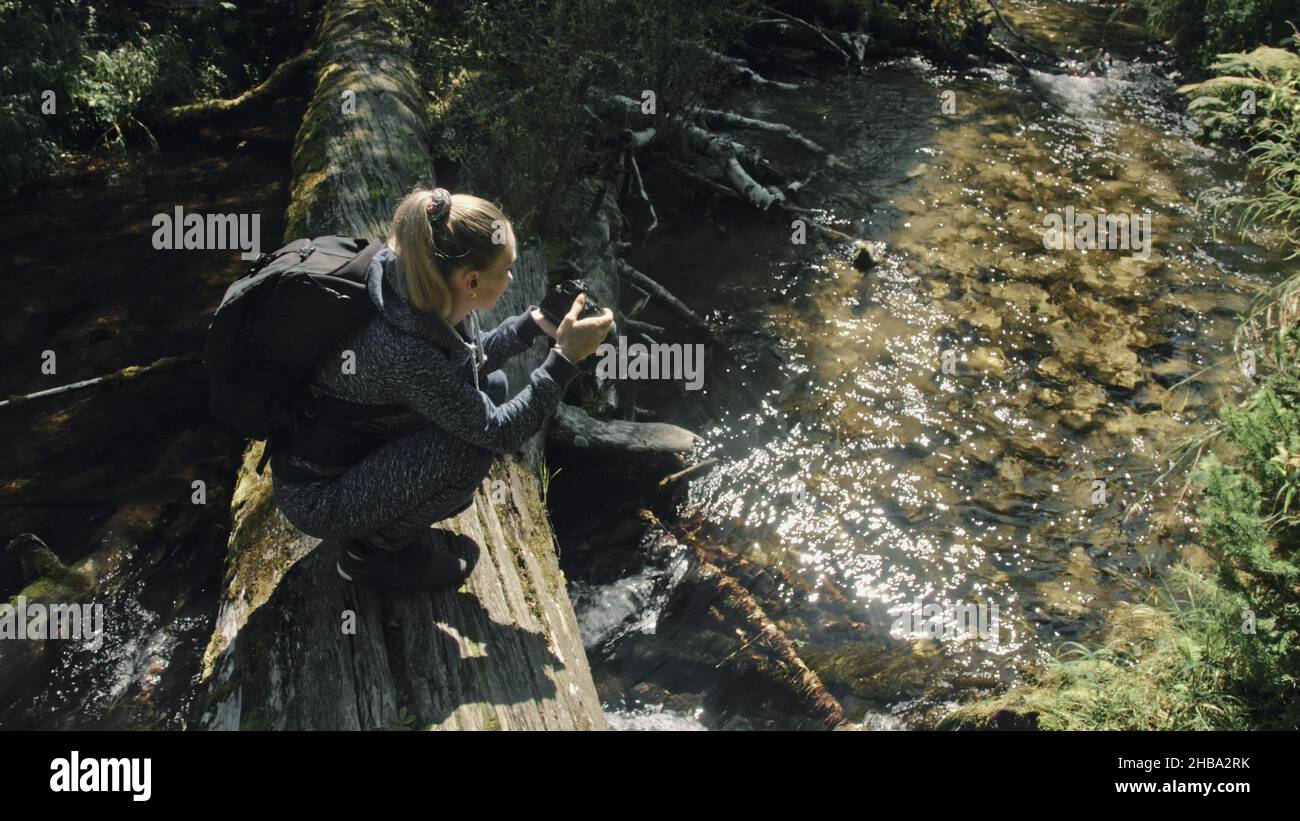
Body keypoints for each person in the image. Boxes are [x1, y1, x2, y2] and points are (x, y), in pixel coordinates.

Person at [268, 187, 614, 593]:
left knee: (492, 384)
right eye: (505, 270)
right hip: (320, 495)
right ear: (470, 280)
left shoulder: (420, 289)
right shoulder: (403, 349)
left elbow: (466, 366)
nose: (511, 279)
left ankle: (393, 513)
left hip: (355, 453)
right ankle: (370, 554)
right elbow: (499, 433)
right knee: (470, 453)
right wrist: (563, 361)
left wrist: (532, 324)